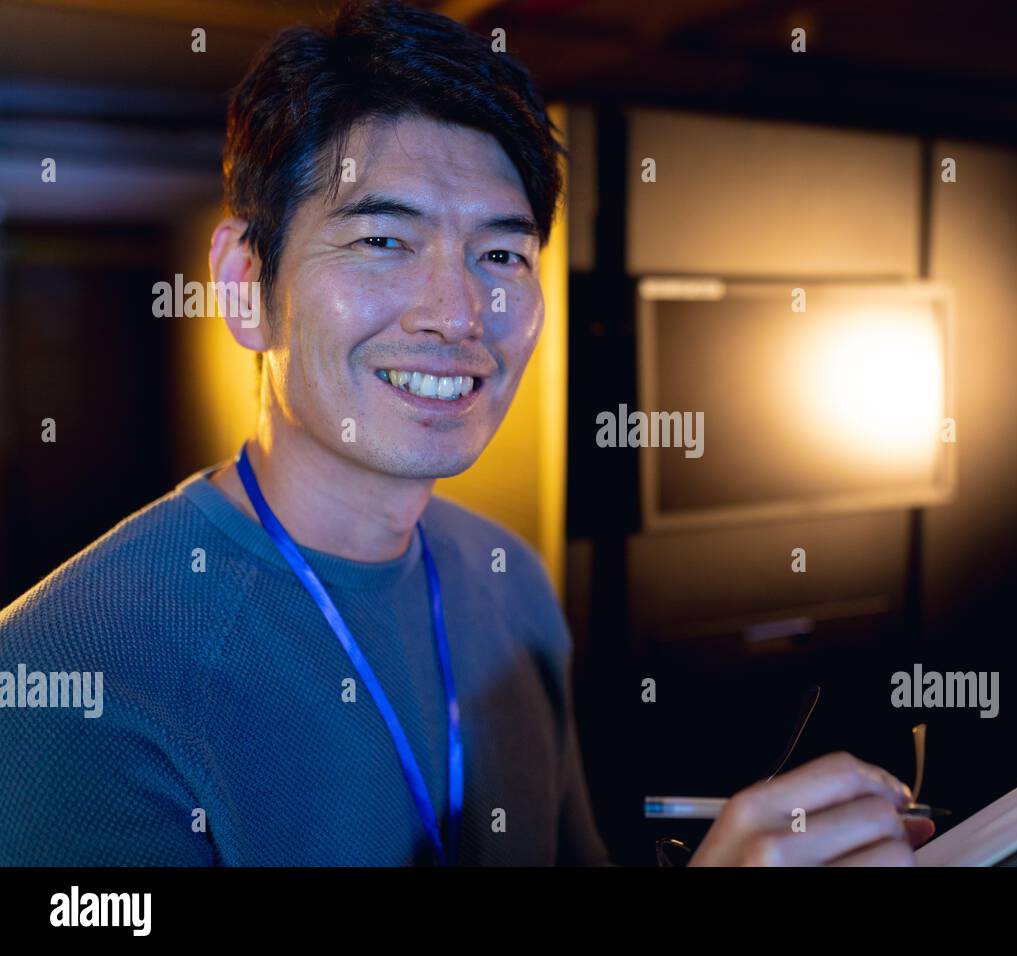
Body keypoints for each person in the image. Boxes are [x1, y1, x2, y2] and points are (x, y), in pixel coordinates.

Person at [0, 0, 931, 866]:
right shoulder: (67, 673)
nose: (457, 313)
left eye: (499, 254)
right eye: (382, 241)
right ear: (245, 283)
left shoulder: (511, 578)